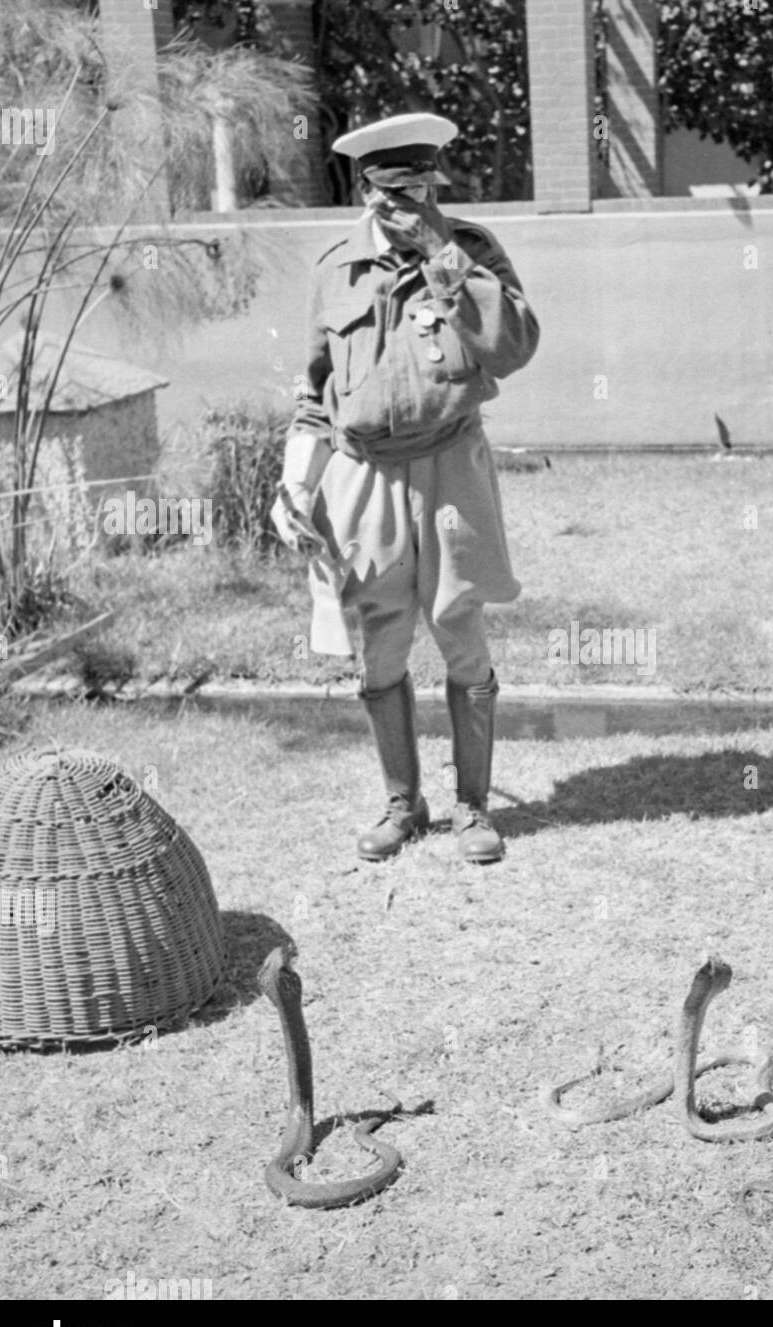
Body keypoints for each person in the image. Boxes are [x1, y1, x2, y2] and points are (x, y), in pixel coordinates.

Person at [270, 112, 540, 864]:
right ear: (368, 192)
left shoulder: (471, 251)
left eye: (422, 188)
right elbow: (316, 389)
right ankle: (402, 804)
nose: (410, 206)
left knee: (460, 628)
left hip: (451, 466)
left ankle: (472, 809)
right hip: (362, 474)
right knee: (377, 641)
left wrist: (446, 264)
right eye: (395, 193)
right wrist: (295, 482)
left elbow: (513, 348)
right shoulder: (336, 267)